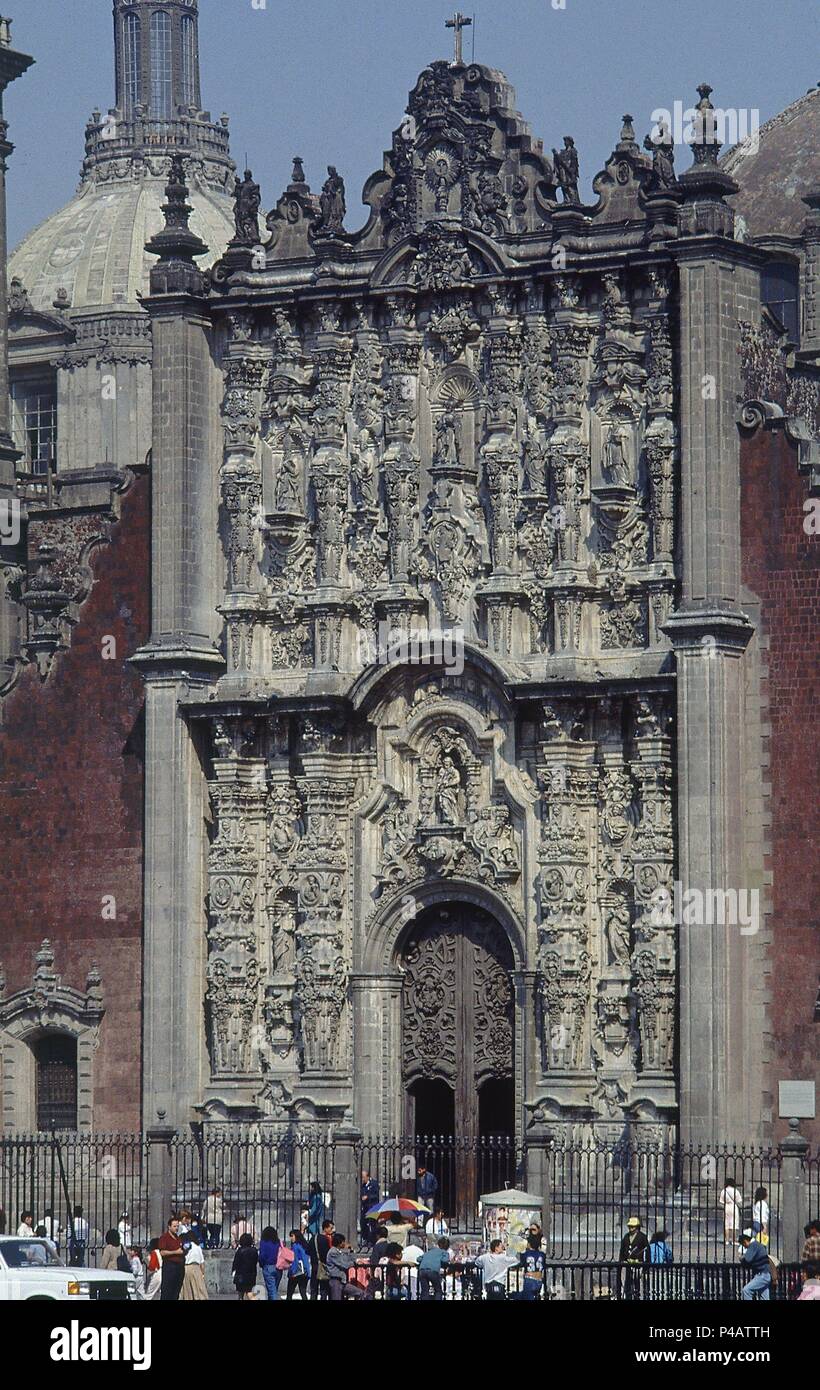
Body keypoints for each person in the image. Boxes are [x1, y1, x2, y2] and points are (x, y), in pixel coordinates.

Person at [326, 1232, 367, 1301]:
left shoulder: (339, 1252)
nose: (344, 1243)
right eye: (343, 1242)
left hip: (342, 1281)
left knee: (360, 1293)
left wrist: (351, 1251)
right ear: (339, 1243)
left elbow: (349, 1259)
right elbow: (344, 1264)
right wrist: (354, 1263)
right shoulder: (333, 1252)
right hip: (335, 1281)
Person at [159, 1215, 186, 1301]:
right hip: (170, 1266)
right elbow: (162, 1252)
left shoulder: (178, 1238)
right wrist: (175, 1252)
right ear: (169, 1227)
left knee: (176, 1291)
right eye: (174, 1226)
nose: (176, 1228)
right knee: (167, 1291)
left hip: (179, 1266)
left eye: (177, 1226)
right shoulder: (164, 1237)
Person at [739, 1228, 771, 1301]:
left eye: (743, 1245)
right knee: (764, 1297)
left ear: (745, 1241)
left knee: (746, 1290)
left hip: (762, 1274)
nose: (745, 1247)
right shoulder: (758, 1245)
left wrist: (741, 1258)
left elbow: (747, 1259)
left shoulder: (753, 1245)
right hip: (766, 1274)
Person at [418, 1236, 450, 1301]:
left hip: (422, 1270)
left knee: (425, 1290)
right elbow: (445, 1260)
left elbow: (418, 1259)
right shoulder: (444, 1252)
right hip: (433, 1271)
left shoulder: (430, 1251)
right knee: (438, 1290)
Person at [515, 1233, 546, 1300]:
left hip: (529, 1279)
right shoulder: (542, 1254)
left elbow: (519, 1261)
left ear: (529, 1244)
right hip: (539, 1280)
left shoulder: (526, 1254)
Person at [309, 1218, 334, 1301]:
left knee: (313, 1289)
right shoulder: (326, 1240)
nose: (332, 1230)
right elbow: (328, 1255)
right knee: (324, 1290)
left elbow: (308, 1251)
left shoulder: (313, 1238)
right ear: (325, 1228)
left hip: (314, 1266)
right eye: (331, 1228)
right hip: (323, 1267)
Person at [181, 1229, 209, 1300]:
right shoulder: (197, 1247)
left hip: (186, 1267)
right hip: (195, 1267)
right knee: (199, 1290)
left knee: (187, 1291)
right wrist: (202, 1273)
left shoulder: (185, 1246)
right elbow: (201, 1262)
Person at [232, 1231, 259, 1301]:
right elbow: (256, 1261)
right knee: (249, 1292)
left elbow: (236, 1263)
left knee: (240, 1294)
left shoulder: (240, 1251)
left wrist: (233, 1271)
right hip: (251, 1274)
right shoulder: (254, 1251)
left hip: (241, 1275)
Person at [286, 1229, 311, 1300]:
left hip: (296, 1271)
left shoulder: (295, 1246)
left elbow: (295, 1260)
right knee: (303, 1292)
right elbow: (306, 1259)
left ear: (296, 1236)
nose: (291, 1238)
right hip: (305, 1272)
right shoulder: (304, 1245)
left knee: (290, 1292)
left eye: (292, 1236)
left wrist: (292, 1272)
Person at [258, 1227, 282, 1302]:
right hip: (279, 1266)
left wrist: (261, 1264)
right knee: (274, 1288)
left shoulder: (263, 1242)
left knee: (271, 1290)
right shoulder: (278, 1242)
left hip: (268, 1266)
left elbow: (262, 1256)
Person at [719, 1177, 743, 1244]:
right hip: (734, 1207)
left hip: (726, 1207)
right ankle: (733, 1240)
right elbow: (739, 1201)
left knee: (726, 1224)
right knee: (734, 1224)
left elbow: (721, 1202)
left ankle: (726, 1240)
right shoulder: (736, 1191)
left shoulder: (724, 1191)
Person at [360, 1170, 379, 1245]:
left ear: (368, 1176)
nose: (362, 1179)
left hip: (372, 1207)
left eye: (363, 1177)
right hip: (365, 1208)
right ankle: (366, 1239)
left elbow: (376, 1195)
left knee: (373, 1224)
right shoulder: (363, 1185)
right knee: (363, 1223)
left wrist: (367, 1197)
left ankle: (373, 1240)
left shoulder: (374, 1184)